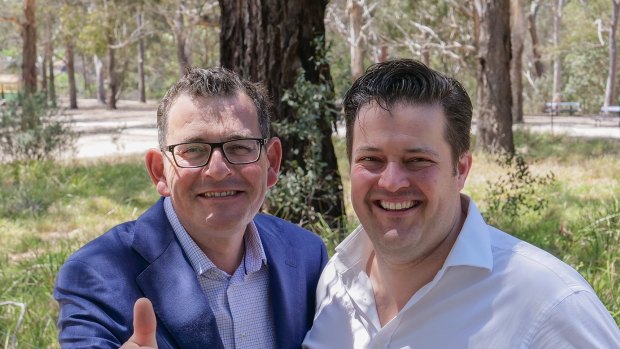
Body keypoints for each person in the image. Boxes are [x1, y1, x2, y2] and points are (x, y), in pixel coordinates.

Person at [303, 59, 620, 348]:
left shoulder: (549, 303)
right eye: (372, 159)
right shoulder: (334, 281)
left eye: (417, 160)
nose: (391, 182)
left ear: (462, 170)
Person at [54, 67, 328, 349]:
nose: (219, 170)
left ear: (271, 162)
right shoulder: (94, 275)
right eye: (193, 150)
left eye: (239, 147)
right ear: (159, 171)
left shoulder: (307, 255)